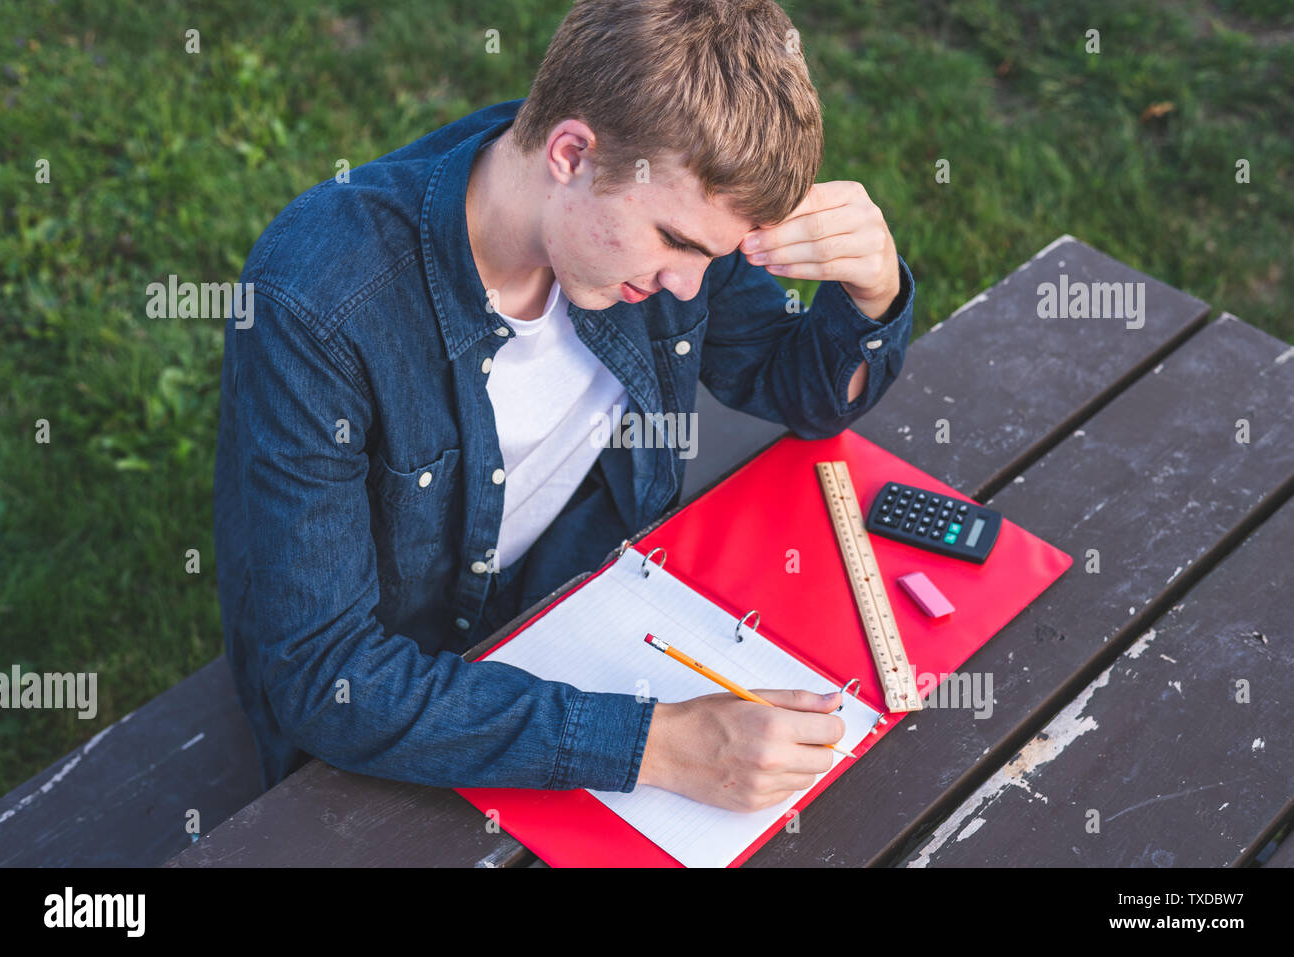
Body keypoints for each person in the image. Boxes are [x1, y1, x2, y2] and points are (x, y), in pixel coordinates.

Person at [213, 0, 915, 813]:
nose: (692, 286)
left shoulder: (651, 209)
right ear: (571, 152)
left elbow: (800, 390)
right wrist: (659, 746)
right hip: (394, 713)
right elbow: (324, 678)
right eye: (681, 245)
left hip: (576, 615)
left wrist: (875, 289)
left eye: (711, 256)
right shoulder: (317, 302)